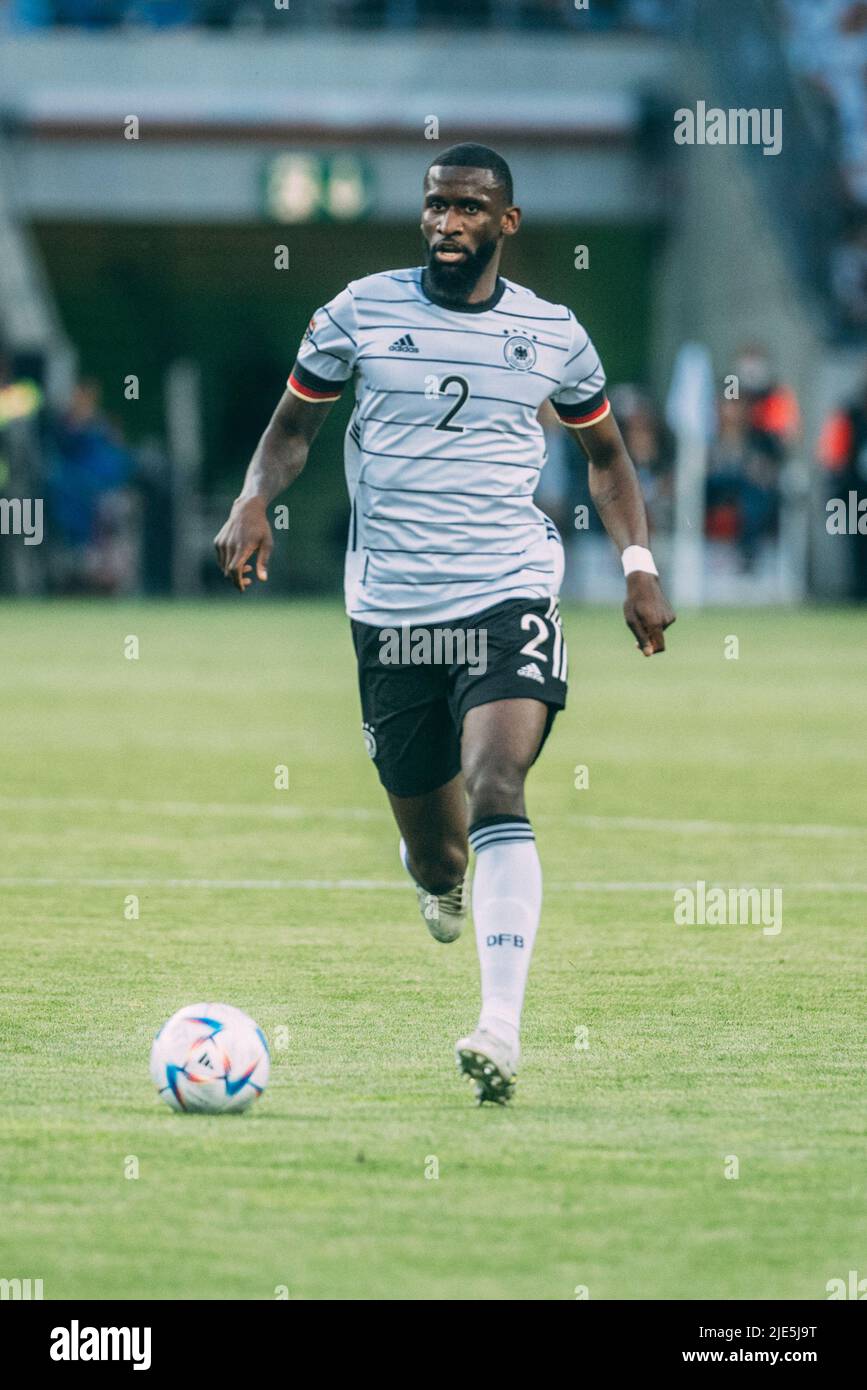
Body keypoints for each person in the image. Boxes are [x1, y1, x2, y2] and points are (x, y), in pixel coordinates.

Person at [214, 143, 675, 1104]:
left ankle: (498, 1030)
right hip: (389, 613)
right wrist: (254, 498)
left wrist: (637, 564)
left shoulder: (553, 336)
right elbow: (293, 428)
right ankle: (435, 875)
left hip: (507, 593)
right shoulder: (359, 312)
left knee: (496, 780)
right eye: (435, 207)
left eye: (468, 209)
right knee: (438, 850)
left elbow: (607, 459)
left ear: (506, 223)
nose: (446, 224)